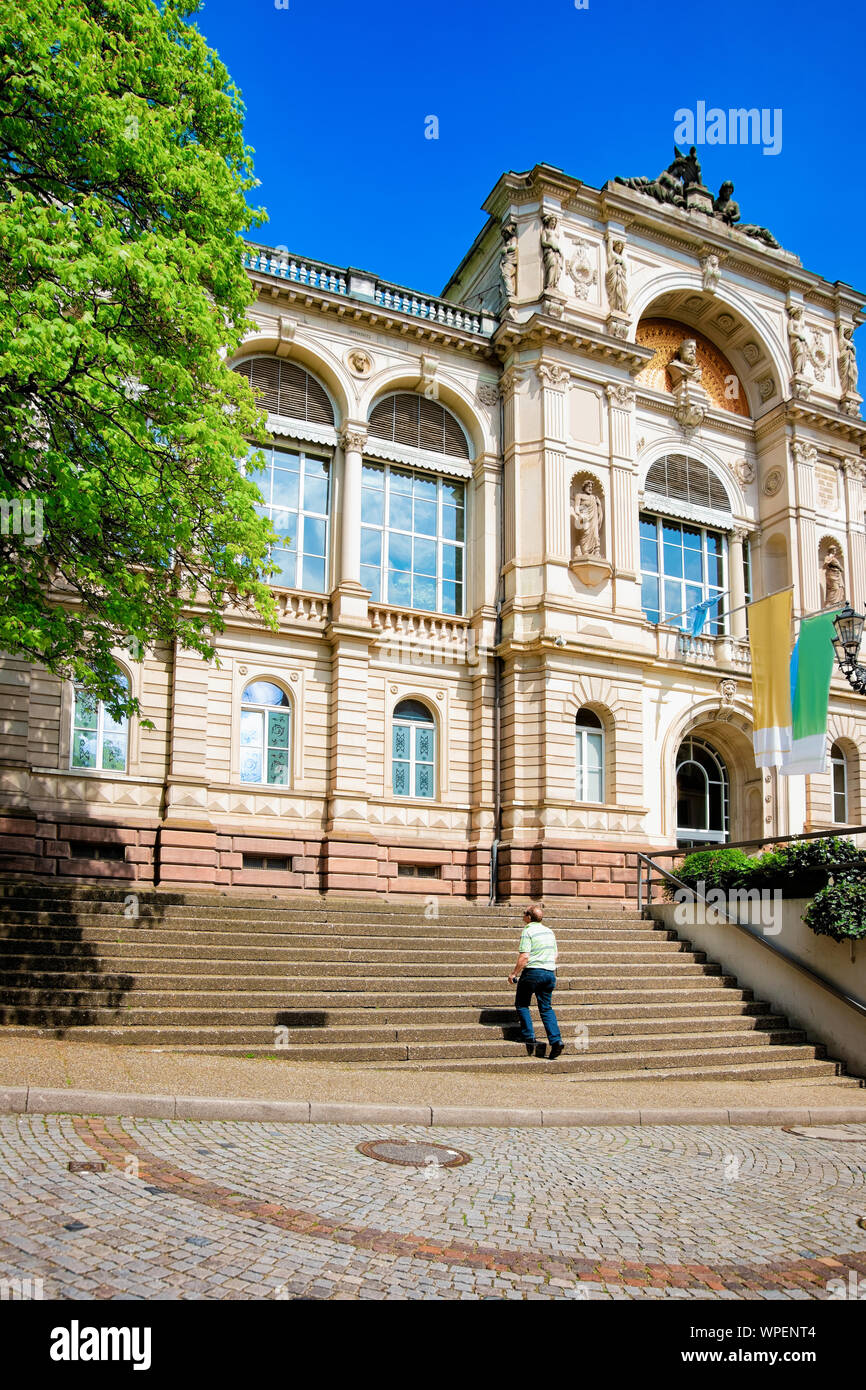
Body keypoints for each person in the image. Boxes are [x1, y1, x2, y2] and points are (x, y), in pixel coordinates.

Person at [508, 904, 564, 1059]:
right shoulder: (549, 931)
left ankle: (529, 1036)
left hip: (533, 972)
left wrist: (513, 974)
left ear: (529, 917)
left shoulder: (528, 930)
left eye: (524, 913)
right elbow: (555, 955)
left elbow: (524, 957)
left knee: (522, 1004)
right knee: (546, 1008)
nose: (523, 915)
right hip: (549, 973)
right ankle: (556, 1040)